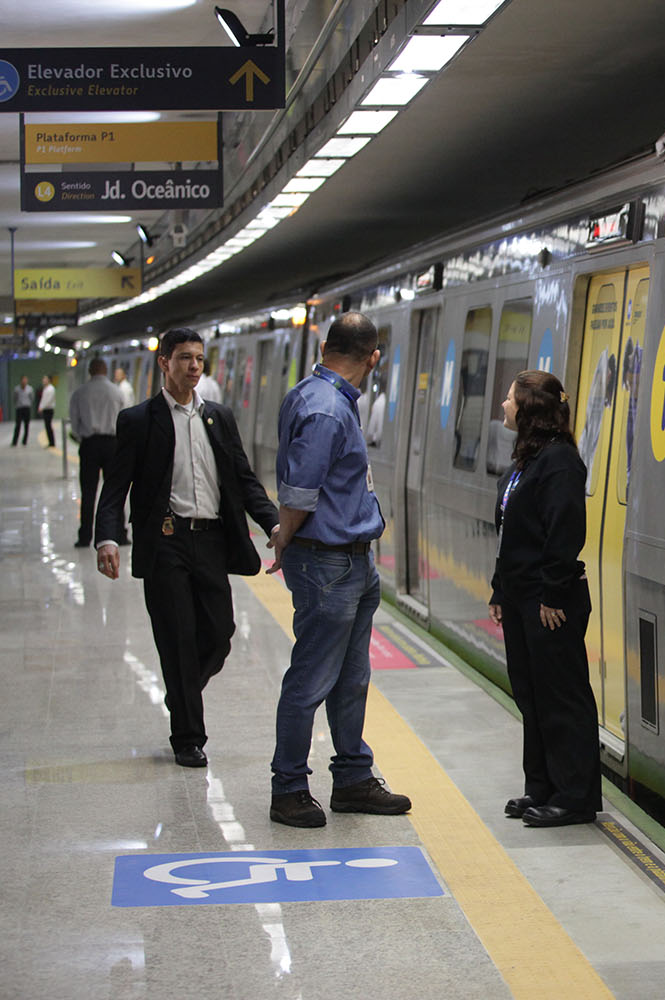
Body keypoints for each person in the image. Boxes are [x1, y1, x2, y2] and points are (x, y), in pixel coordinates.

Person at [95, 329, 279, 768]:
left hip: (211, 539)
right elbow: (115, 486)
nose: (194, 366)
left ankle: (180, 691)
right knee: (177, 637)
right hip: (166, 541)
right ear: (164, 363)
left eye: (199, 358)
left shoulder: (219, 417)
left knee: (220, 634)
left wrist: (274, 524)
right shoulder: (139, 420)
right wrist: (107, 537)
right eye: (184, 358)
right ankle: (188, 738)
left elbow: (243, 479)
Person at [267, 312, 411, 827]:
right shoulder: (328, 409)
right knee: (311, 678)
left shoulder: (318, 396)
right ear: (373, 358)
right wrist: (285, 537)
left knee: (351, 677)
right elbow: (299, 492)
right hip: (327, 562)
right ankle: (288, 787)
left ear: (327, 347)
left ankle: (352, 777)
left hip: (350, 561)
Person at [489, 370, 600, 828]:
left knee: (561, 697)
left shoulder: (560, 462)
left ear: (529, 408)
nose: (503, 405)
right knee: (531, 695)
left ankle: (574, 797)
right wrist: (500, 588)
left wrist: (553, 592)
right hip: (521, 597)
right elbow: (512, 532)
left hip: (550, 601)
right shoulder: (528, 459)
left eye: (510, 399)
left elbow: (565, 530)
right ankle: (541, 787)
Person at [68, 359, 126, 547]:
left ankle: (85, 536)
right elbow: (125, 419)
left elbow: (74, 423)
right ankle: (120, 533)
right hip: (112, 444)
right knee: (115, 490)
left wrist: (82, 437)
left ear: (90, 371)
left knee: (88, 492)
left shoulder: (80, 393)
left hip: (89, 445)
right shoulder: (117, 392)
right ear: (106, 370)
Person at [11, 375, 34, 446]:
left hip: (26, 408)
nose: (24, 381)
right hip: (19, 408)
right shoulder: (17, 389)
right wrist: (16, 404)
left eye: (25, 380)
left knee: (26, 425)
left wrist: (29, 404)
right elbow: (14, 398)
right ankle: (15, 441)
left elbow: (32, 398)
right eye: (23, 380)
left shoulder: (30, 389)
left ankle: (24, 441)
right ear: (21, 381)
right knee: (18, 425)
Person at [38, 374, 57, 447]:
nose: (43, 380)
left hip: (49, 409)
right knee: (47, 426)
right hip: (45, 409)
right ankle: (50, 441)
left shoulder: (51, 389)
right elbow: (43, 399)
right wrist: (40, 407)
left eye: (45, 379)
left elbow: (48, 400)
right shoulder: (45, 389)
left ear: (48, 380)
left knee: (48, 425)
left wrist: (42, 407)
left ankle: (52, 442)